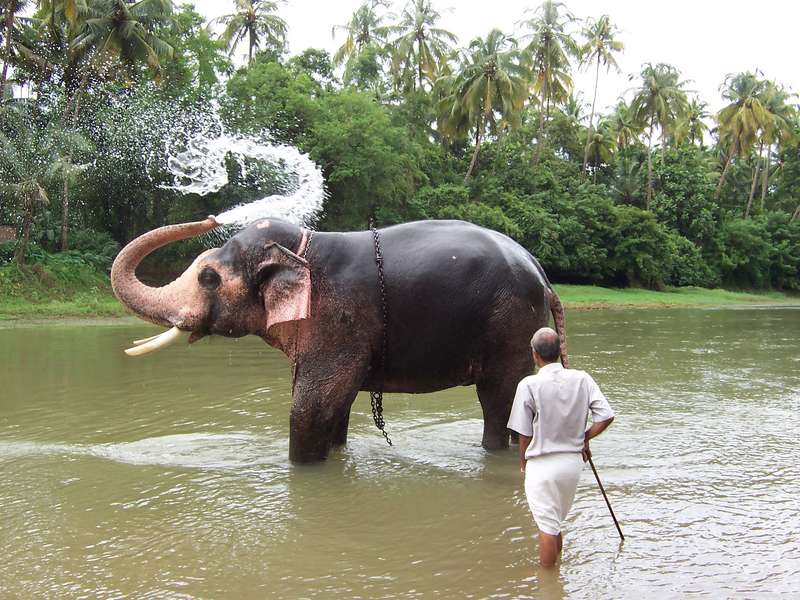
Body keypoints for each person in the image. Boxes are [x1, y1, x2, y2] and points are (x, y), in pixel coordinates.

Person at [507, 327, 615, 567]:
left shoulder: (528, 384)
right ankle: (557, 575)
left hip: (542, 466)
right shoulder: (582, 378)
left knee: (546, 527)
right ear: (558, 352)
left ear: (534, 354)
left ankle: (547, 585)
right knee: (554, 522)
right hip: (572, 465)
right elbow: (606, 416)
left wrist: (523, 463)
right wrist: (584, 437)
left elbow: (523, 432)